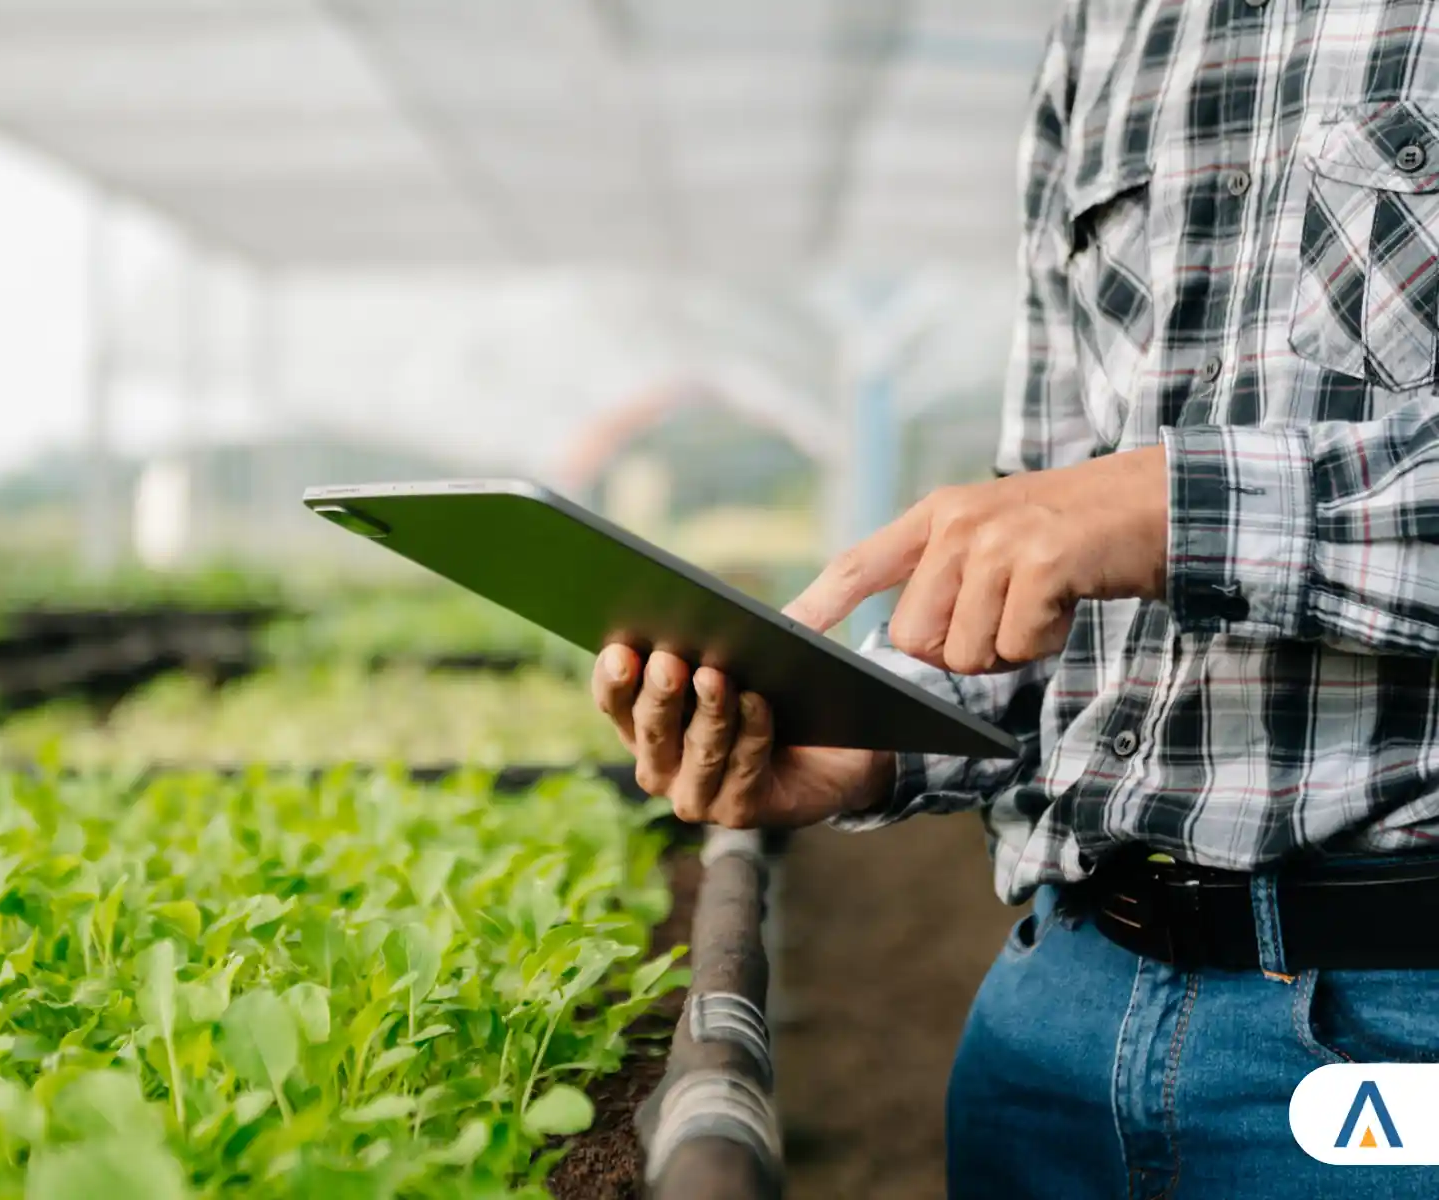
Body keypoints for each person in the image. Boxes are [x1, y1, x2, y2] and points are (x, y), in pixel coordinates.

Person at [590, 1, 1439, 1195]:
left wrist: (1172, 508)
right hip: (1060, 1014)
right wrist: (870, 739)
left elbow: (1119, 515)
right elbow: (1052, 554)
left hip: (1393, 1026)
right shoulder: (1107, 31)